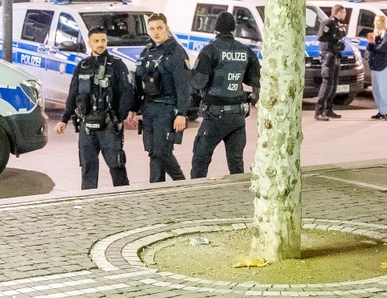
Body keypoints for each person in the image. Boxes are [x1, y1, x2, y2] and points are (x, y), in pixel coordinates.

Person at [56, 26, 133, 190]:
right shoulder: (82, 66)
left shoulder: (117, 65)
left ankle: (125, 200)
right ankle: (88, 203)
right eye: (96, 41)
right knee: (88, 167)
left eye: (103, 40)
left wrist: (119, 119)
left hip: (109, 125)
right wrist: (64, 119)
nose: (100, 44)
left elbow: (126, 94)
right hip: (87, 125)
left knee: (116, 165)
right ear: (89, 42)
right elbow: (73, 94)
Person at [190, 12, 261, 178]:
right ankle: (238, 198)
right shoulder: (246, 51)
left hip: (215, 115)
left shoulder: (210, 50)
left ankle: (195, 195)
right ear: (233, 29)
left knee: (200, 159)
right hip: (237, 116)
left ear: (215, 29)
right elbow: (256, 80)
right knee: (236, 162)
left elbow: (199, 81)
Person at [132, 13, 191, 183]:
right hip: (149, 107)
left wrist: (182, 113)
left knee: (161, 151)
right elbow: (139, 81)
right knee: (153, 151)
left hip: (167, 108)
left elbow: (183, 86)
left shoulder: (176, 52)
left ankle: (181, 182)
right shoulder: (148, 51)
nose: (156, 32)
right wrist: (134, 109)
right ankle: (156, 189)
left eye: (159, 28)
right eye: (152, 29)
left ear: (166, 28)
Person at [315, 4, 348, 121]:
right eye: (343, 13)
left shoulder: (338, 25)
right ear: (338, 12)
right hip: (328, 56)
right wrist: (334, 40)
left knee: (333, 85)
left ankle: (328, 109)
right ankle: (318, 111)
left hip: (336, 56)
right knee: (327, 84)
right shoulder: (328, 23)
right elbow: (321, 37)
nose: (345, 15)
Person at [366, 15, 387, 120]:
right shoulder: (375, 34)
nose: (377, 23)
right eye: (376, 21)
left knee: (384, 89)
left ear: (383, 22)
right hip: (374, 65)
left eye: (379, 21)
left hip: (383, 65)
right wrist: (370, 42)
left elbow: (382, 48)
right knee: (376, 90)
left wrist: (373, 46)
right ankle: (380, 110)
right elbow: (369, 48)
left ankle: (386, 112)